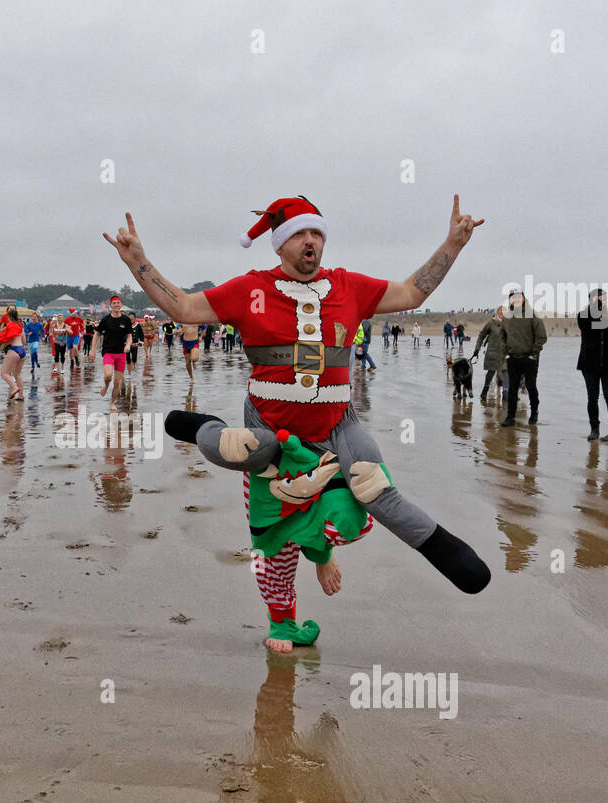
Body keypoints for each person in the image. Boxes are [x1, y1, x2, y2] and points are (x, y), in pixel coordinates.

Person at [105, 194, 490, 652]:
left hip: (337, 427)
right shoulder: (249, 289)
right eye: (301, 234)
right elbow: (185, 309)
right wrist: (139, 263)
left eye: (317, 233)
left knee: (371, 488)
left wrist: (454, 243)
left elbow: (413, 292)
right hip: (267, 428)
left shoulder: (350, 286)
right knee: (258, 501)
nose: (312, 241)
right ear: (280, 244)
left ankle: (435, 553)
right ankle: (282, 620)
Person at [575, 288, 608, 441]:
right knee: (592, 397)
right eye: (597, 298)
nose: (601, 300)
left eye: (603, 298)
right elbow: (587, 328)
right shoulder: (583, 317)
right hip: (590, 364)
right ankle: (594, 429)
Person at [501, 288, 546, 426]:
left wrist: (534, 353)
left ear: (523, 299)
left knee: (530, 386)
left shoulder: (532, 315)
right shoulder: (507, 317)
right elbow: (502, 336)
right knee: (512, 388)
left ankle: (534, 413)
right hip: (513, 358)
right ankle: (510, 417)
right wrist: (506, 353)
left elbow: (541, 336)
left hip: (529, 358)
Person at [93, 295, 133, 397]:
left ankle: (112, 403)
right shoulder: (105, 320)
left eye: (118, 303)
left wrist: (128, 345)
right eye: (114, 303)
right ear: (110, 306)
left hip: (121, 353)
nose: (116, 305)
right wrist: (92, 350)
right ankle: (106, 386)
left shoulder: (126, 320)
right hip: (108, 352)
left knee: (117, 382)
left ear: (121, 305)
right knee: (108, 375)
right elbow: (97, 334)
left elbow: (129, 336)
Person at [0, 307, 26, 401]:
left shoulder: (10, 325)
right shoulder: (20, 326)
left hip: (14, 350)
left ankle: (14, 387)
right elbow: (24, 341)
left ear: (9, 317)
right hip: (22, 351)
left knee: (4, 373)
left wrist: (2, 346)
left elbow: (8, 338)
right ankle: (21, 396)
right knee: (17, 375)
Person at [472, 306, 507, 402]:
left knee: (505, 373)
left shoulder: (509, 324)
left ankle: (505, 394)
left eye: (504, 312)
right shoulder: (491, 323)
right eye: (501, 312)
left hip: (504, 354)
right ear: (497, 312)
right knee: (491, 373)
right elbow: (481, 335)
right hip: (492, 352)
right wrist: (477, 349)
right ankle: (485, 391)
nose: (502, 314)